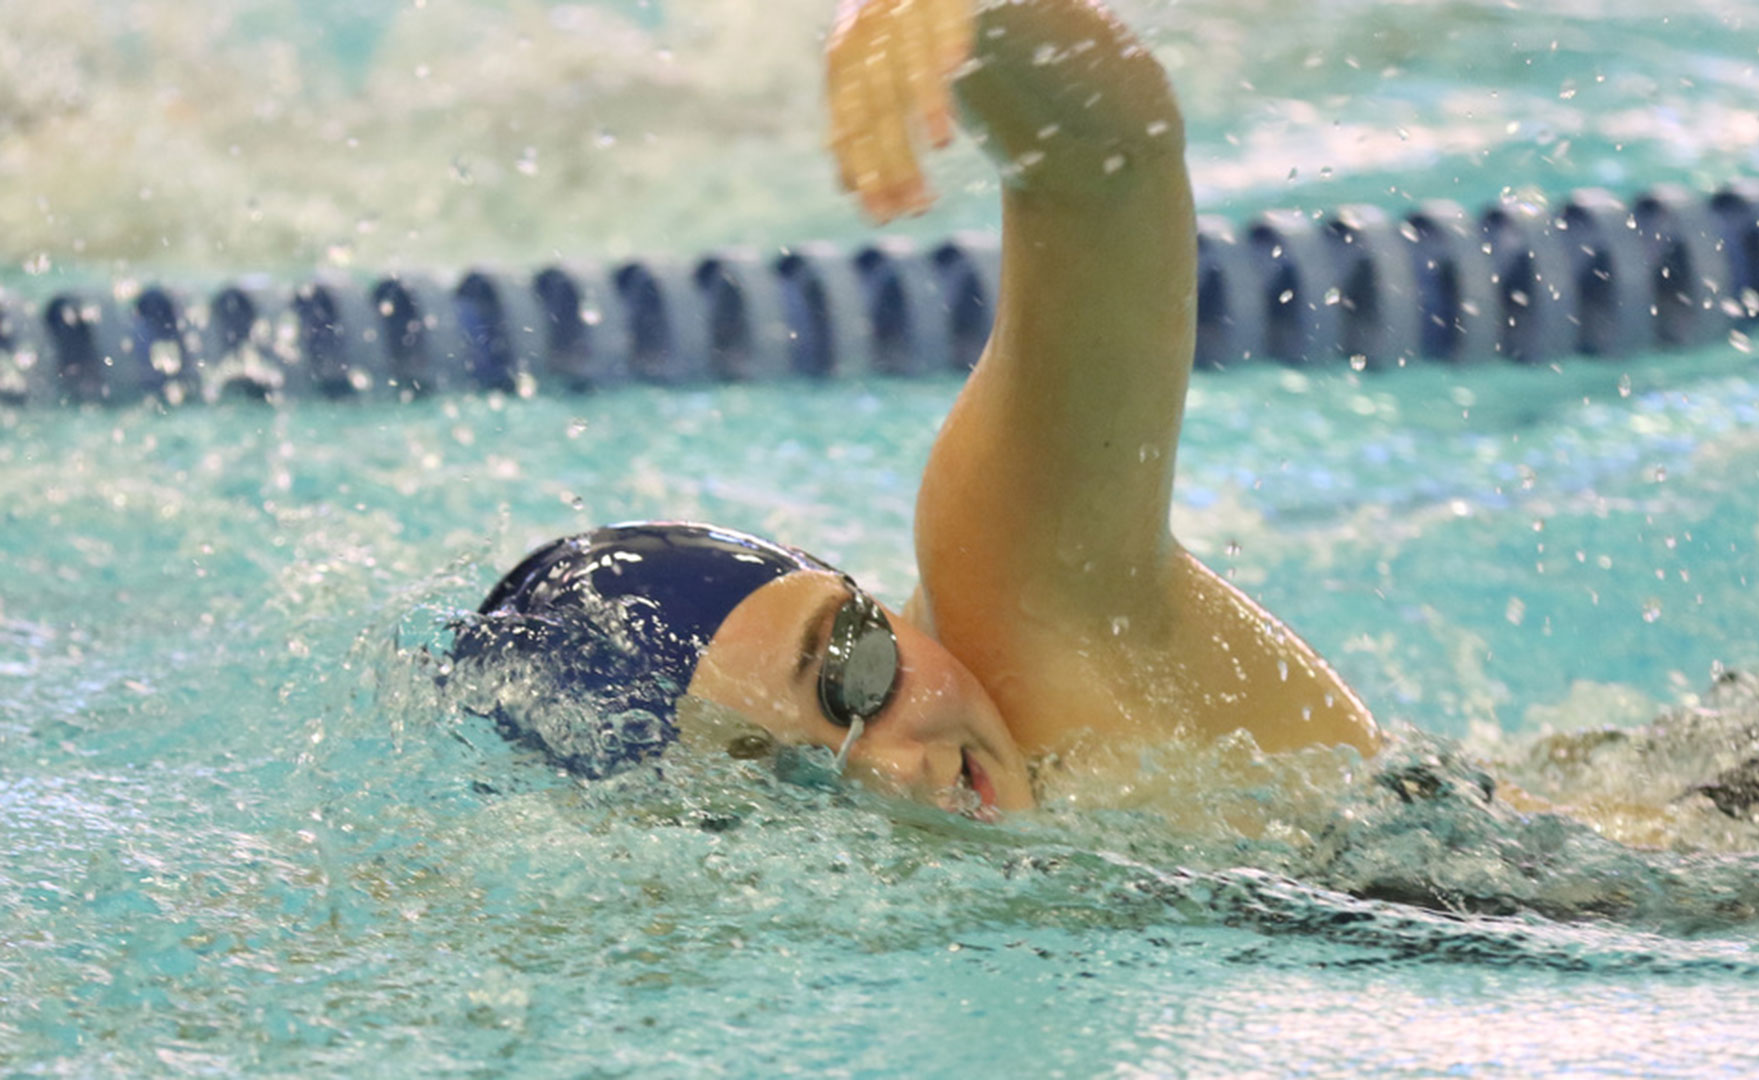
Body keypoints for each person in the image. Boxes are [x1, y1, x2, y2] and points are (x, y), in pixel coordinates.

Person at [454, 0, 1381, 819]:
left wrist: (960, 16)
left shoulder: (1030, 615)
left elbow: (1108, 165)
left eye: (856, 673)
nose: (891, 772)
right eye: (775, 788)